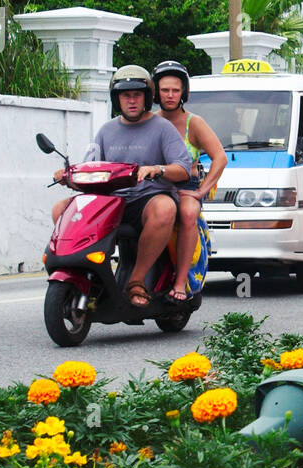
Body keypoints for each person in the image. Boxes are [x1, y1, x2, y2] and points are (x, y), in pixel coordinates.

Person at [51, 65, 191, 307]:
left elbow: (183, 168)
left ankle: (136, 281)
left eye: (137, 95)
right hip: (112, 201)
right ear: (117, 99)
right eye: (125, 96)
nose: (132, 100)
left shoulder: (162, 128)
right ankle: (87, 272)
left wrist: (159, 169)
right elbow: (91, 167)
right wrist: (67, 175)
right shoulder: (107, 130)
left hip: (147, 199)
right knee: (62, 209)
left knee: (165, 207)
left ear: (147, 97)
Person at [152, 60, 227, 304]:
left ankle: (180, 282)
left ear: (184, 92)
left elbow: (220, 158)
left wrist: (201, 191)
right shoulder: (148, 121)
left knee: (187, 214)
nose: (170, 95)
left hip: (186, 188)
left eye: (175, 90)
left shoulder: (193, 123)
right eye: (165, 90)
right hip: (154, 190)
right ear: (155, 91)